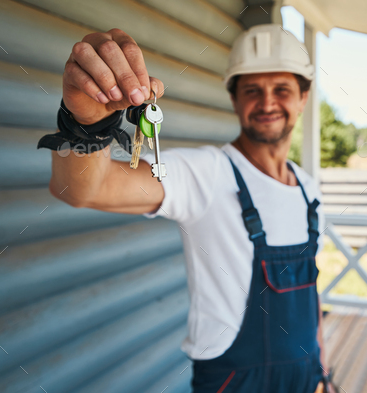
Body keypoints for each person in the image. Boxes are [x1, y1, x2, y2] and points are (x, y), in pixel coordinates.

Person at [40, 23, 337, 393]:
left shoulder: (309, 190)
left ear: (304, 98)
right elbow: (85, 189)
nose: (267, 103)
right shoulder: (207, 172)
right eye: (252, 90)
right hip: (234, 382)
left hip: (307, 376)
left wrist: (320, 368)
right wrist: (85, 122)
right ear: (234, 99)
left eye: (282, 90)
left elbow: (312, 291)